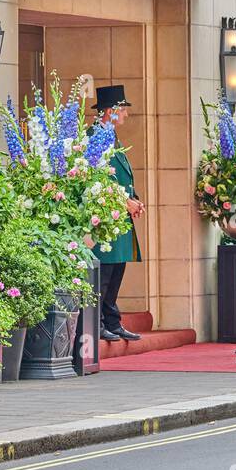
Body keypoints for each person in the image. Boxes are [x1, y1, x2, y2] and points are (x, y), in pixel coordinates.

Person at [91, 85, 144, 342]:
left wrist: (134, 199)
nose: (126, 115)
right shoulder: (93, 137)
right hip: (104, 219)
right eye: (123, 110)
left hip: (118, 218)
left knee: (116, 272)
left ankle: (112, 321)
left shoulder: (112, 137)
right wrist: (124, 201)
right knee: (105, 274)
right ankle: (99, 323)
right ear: (110, 111)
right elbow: (95, 178)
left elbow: (121, 176)